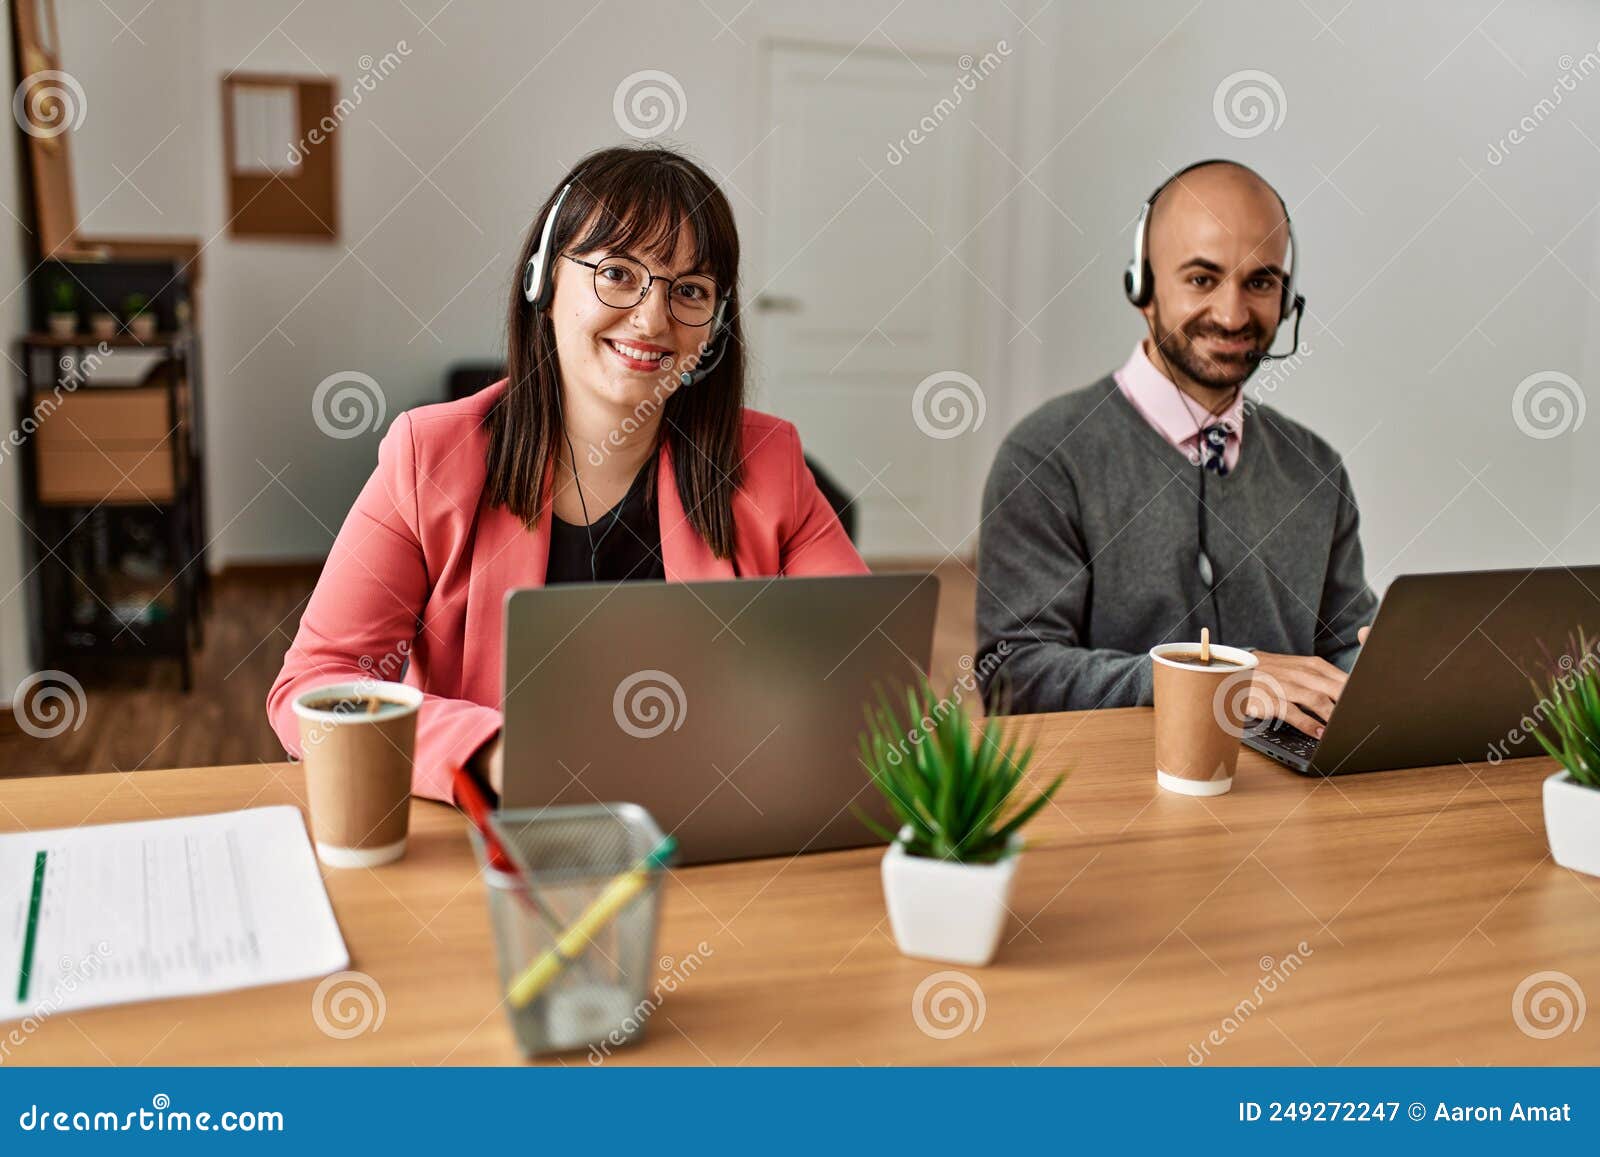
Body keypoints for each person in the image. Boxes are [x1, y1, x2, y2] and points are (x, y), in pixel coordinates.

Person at [268, 145, 865, 802]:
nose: (652, 319)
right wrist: (494, 754)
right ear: (544, 283)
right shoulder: (429, 457)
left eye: (690, 290)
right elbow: (314, 688)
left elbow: (863, 673)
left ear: (715, 326)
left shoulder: (770, 462)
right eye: (617, 273)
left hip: (706, 819)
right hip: (503, 829)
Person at [977, 159, 1376, 738]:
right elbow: (1014, 677)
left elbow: (1343, 644)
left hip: (1286, 783)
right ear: (1142, 288)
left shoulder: (1315, 467)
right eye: (1202, 279)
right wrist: (1216, 681)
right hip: (1120, 780)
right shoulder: (1046, 457)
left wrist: (1389, 670)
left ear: (1287, 298)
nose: (1232, 315)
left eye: (1260, 282)